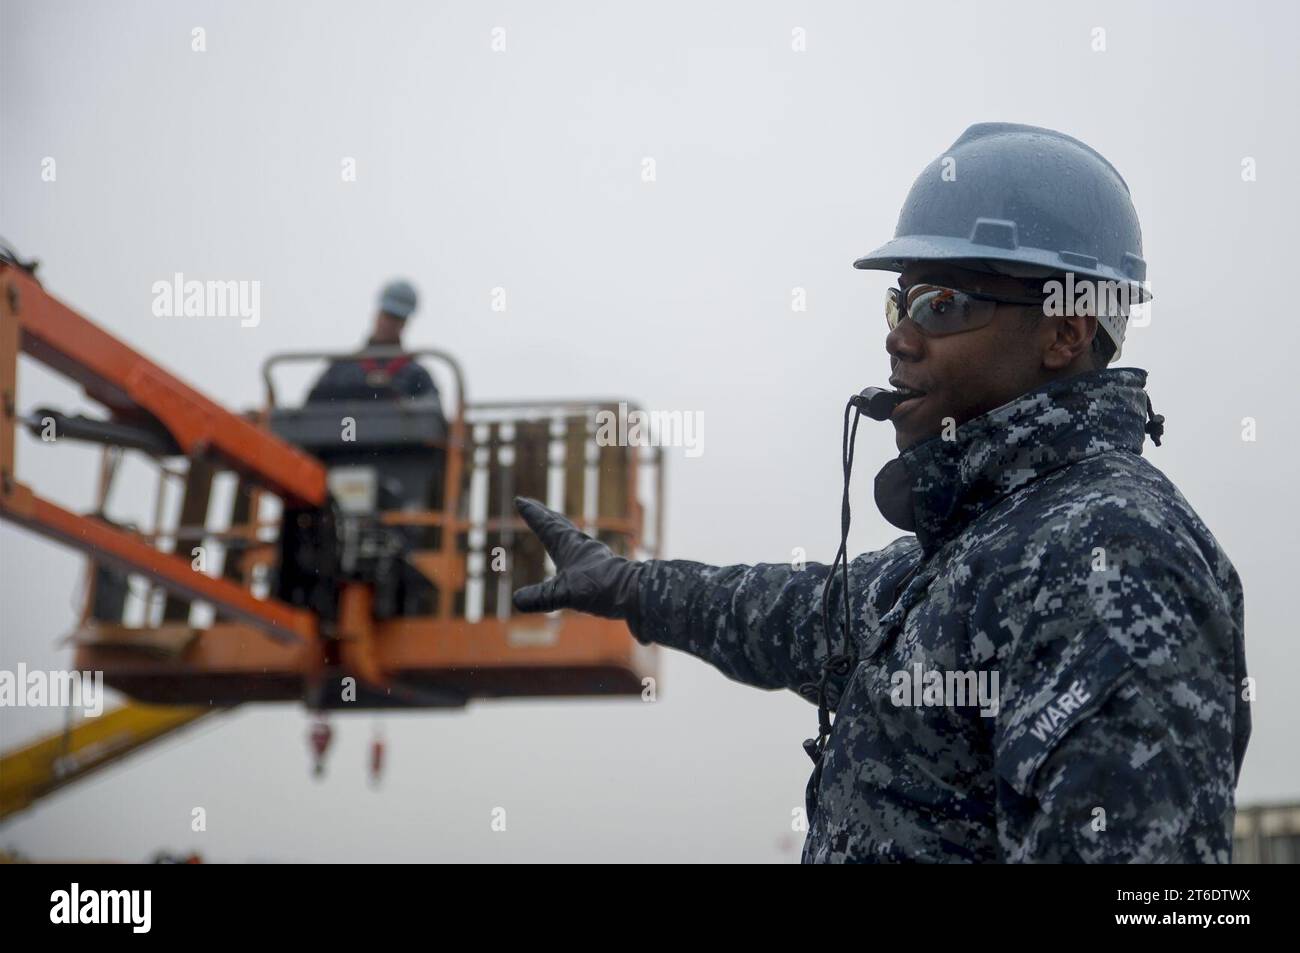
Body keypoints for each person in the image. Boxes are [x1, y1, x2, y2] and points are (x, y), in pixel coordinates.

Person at [508, 123, 1250, 863]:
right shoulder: (959, 559)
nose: (900, 338)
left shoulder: (1109, 554)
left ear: (1064, 329)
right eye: (900, 305)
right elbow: (776, 613)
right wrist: (626, 585)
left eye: (943, 303)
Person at [307, 279, 439, 403]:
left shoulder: (416, 377)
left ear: (405, 322)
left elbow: (430, 418)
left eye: (397, 318)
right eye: (387, 315)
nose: (389, 324)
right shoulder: (341, 369)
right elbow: (312, 412)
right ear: (378, 314)